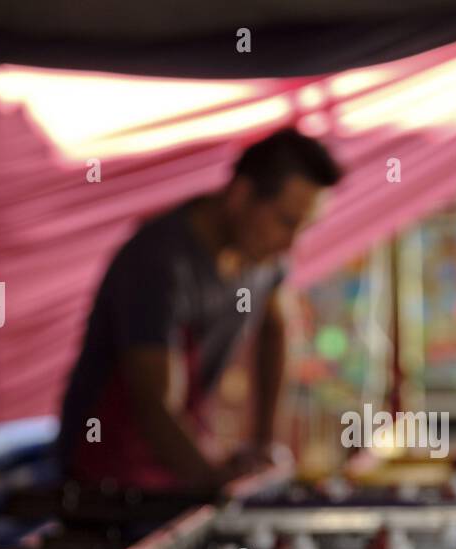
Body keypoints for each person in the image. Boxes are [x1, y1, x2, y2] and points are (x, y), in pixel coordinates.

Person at [57, 128, 342, 495]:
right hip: (107, 475)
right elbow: (155, 405)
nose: (291, 245)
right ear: (241, 195)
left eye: (304, 227)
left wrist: (265, 443)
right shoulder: (159, 261)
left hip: (179, 466)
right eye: (286, 221)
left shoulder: (263, 258)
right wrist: (213, 483)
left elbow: (276, 329)